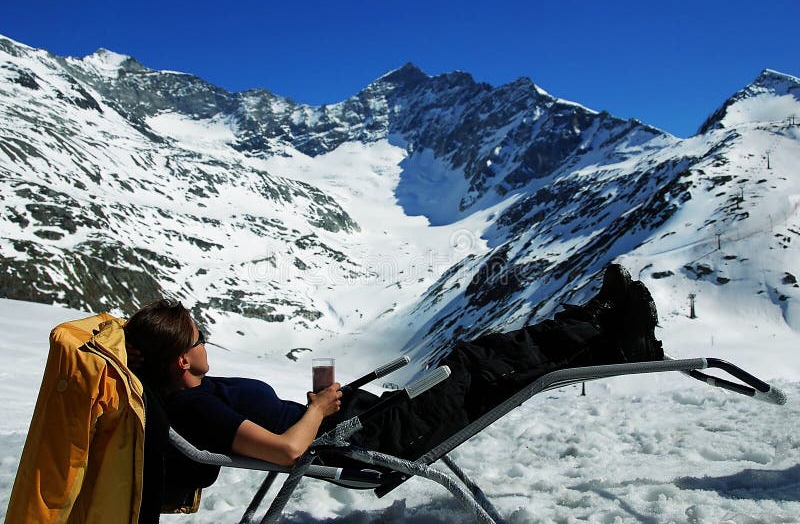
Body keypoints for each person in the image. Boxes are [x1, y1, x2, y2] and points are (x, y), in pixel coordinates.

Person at [125, 264, 663, 506]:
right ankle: (603, 331)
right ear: (181, 360)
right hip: (369, 442)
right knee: (480, 369)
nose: (207, 341)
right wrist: (318, 409)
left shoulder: (193, 393)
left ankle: (600, 328)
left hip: (360, 422)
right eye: (199, 336)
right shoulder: (194, 408)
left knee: (477, 364)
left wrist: (321, 402)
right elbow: (288, 451)